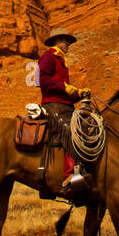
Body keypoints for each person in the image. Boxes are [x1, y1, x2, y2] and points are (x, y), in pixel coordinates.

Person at [37, 30, 92, 197]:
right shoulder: (48, 57)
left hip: (65, 106)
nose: (68, 45)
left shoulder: (61, 60)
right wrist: (65, 86)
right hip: (53, 106)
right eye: (66, 41)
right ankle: (69, 175)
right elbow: (43, 80)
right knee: (70, 130)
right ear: (58, 41)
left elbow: (63, 89)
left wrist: (79, 93)